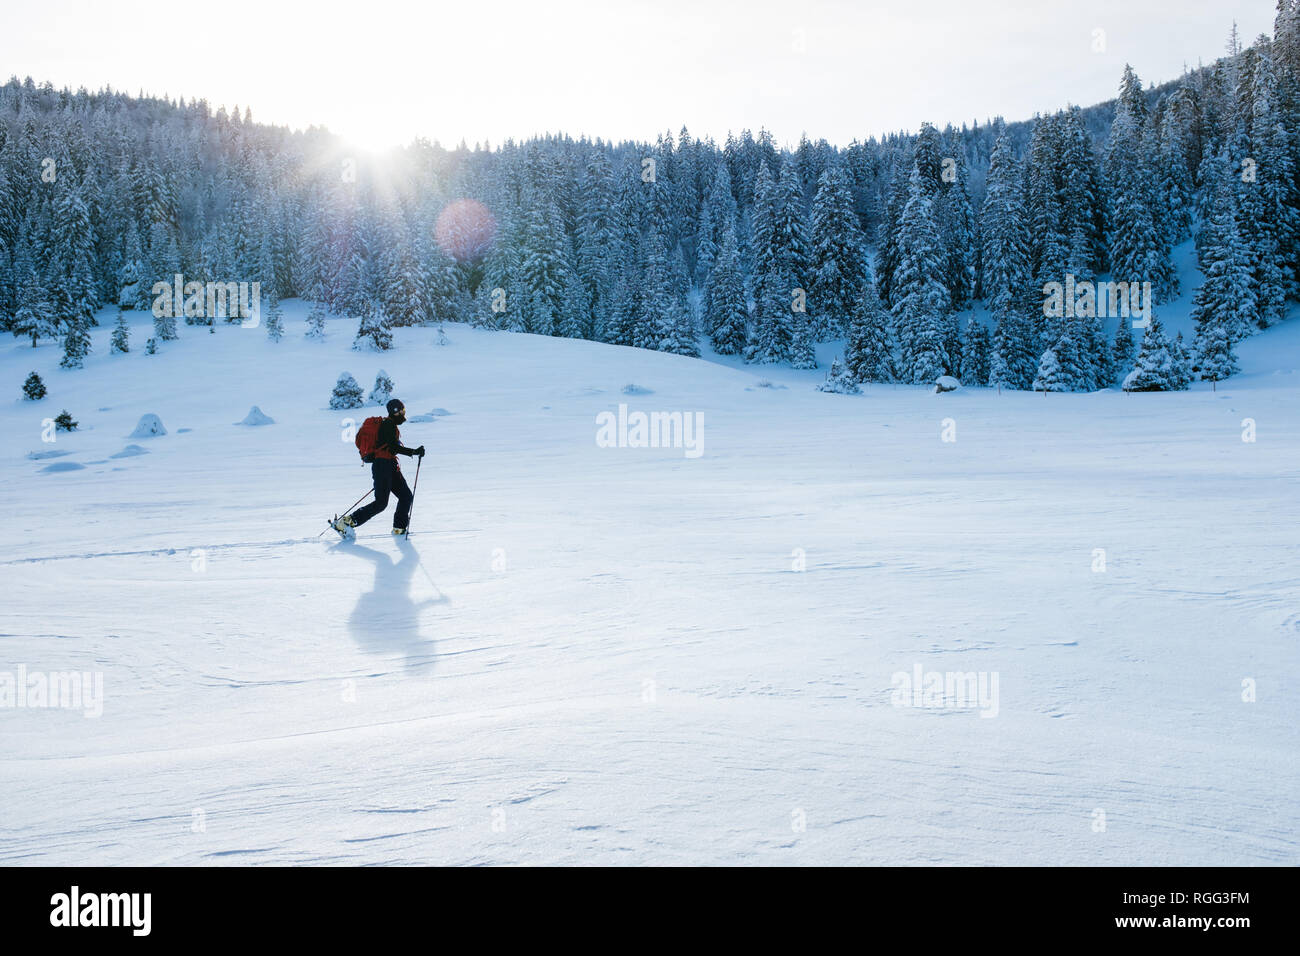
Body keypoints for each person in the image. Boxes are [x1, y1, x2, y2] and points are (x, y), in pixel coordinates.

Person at [334, 399, 425, 536]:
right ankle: (346, 522)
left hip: (389, 466)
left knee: (405, 496)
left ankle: (399, 529)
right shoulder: (388, 424)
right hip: (382, 466)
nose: (404, 414)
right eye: (402, 411)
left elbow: (391, 448)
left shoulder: (391, 425)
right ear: (396, 411)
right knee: (381, 503)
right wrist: (414, 452)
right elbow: (393, 447)